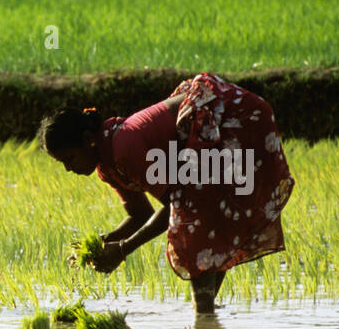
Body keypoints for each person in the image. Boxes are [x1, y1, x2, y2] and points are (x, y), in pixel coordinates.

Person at [38, 73, 295, 313]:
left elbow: (175, 206)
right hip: (215, 126)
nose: (68, 168)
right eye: (62, 163)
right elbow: (139, 214)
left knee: (194, 224)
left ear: (87, 140)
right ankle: (206, 319)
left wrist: (123, 249)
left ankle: (204, 318)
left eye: (69, 159)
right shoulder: (107, 165)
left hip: (233, 117)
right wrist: (104, 243)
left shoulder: (123, 148)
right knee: (203, 217)